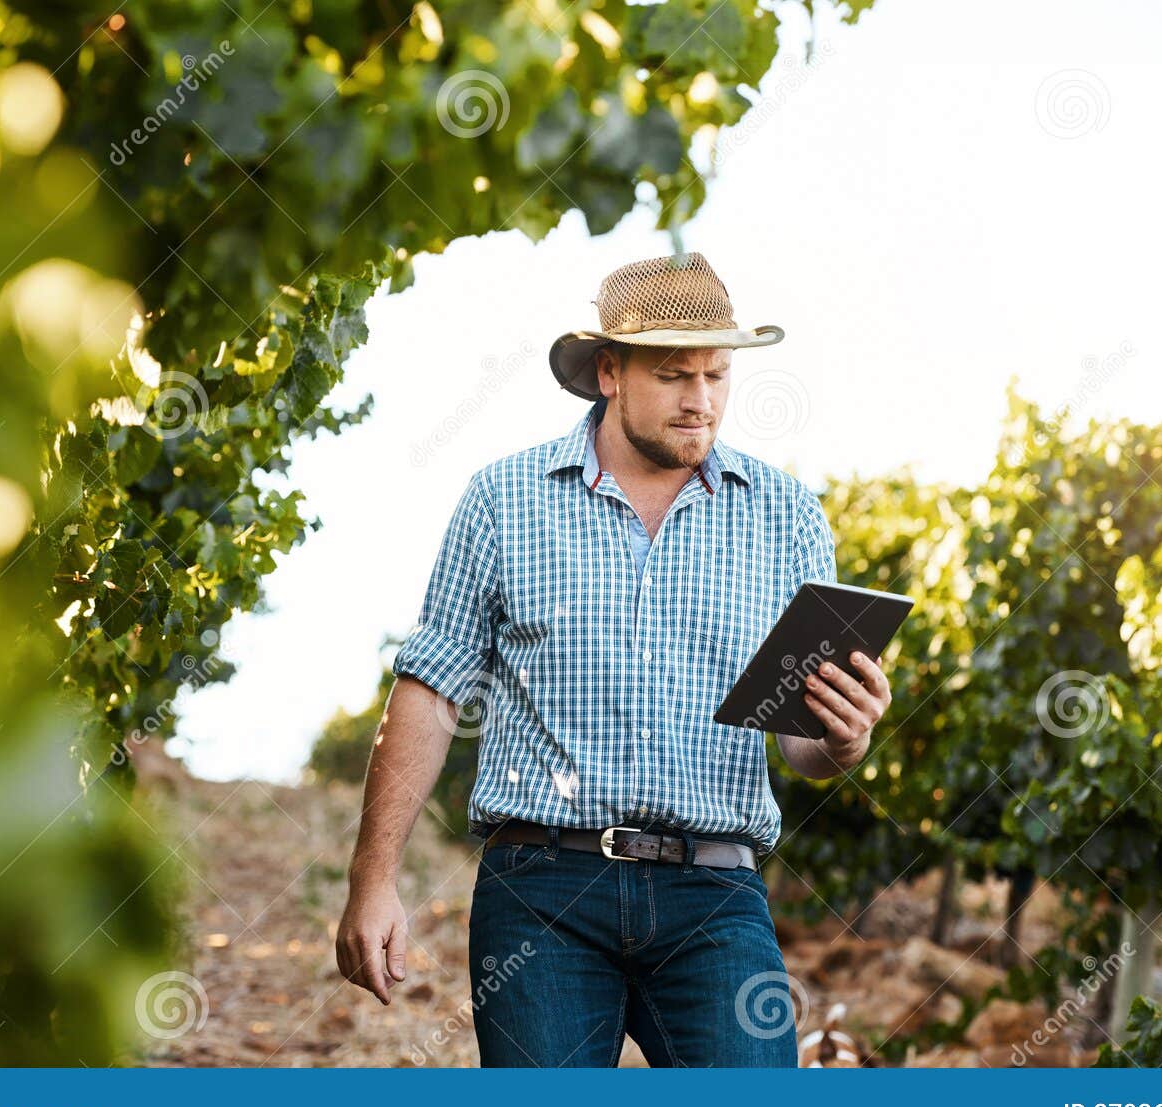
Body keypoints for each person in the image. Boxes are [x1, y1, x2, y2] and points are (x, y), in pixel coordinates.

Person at [335, 252, 893, 1066]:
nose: (700, 400)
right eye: (673, 376)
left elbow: (802, 745)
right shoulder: (504, 499)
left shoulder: (788, 517)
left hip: (716, 895)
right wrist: (373, 877)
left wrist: (843, 741)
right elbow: (430, 689)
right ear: (609, 372)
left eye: (716, 374)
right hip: (541, 892)